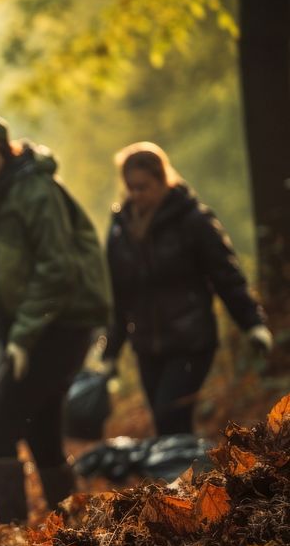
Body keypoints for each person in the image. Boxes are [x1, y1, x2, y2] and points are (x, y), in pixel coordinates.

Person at [0, 112, 110, 524]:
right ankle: (72, 526)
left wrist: (22, 337)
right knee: (40, 430)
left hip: (65, 323)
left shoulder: (37, 193)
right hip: (32, 328)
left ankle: (11, 533)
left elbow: (58, 270)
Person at [101, 142, 272, 436]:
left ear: (163, 180)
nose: (136, 195)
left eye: (143, 187)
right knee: (165, 424)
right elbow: (119, 296)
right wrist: (110, 352)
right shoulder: (120, 231)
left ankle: (191, 480)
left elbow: (226, 276)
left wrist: (253, 323)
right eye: (131, 187)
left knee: (170, 417)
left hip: (190, 342)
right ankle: (187, 479)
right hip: (146, 346)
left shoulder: (194, 221)